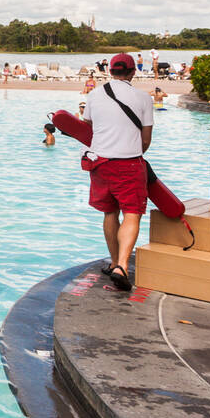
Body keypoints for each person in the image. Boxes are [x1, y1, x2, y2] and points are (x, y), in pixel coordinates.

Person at [82, 53, 154, 291]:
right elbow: (146, 140)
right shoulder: (143, 98)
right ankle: (122, 265)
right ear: (133, 72)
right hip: (129, 163)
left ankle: (113, 261)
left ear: (110, 70)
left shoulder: (93, 95)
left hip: (99, 162)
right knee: (132, 213)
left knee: (109, 212)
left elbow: (90, 128)